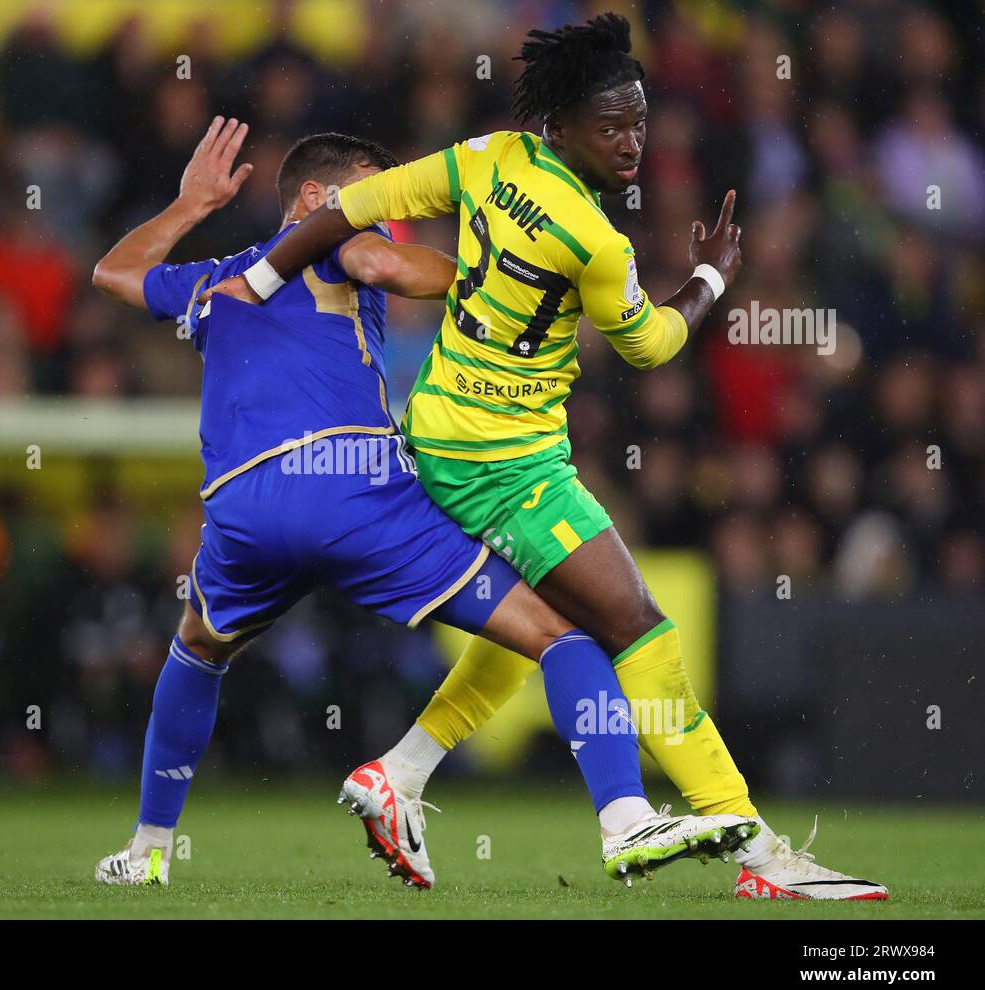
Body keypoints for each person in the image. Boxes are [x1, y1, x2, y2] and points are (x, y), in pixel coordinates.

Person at [200, 15, 887, 901]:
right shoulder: (595, 239)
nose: (632, 142)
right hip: (508, 464)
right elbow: (646, 345)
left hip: (442, 434)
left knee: (531, 630)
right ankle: (743, 841)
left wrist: (258, 280)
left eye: (639, 120)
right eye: (612, 126)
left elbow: (350, 207)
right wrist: (714, 276)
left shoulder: (488, 157)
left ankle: (398, 774)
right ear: (561, 127)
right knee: (637, 625)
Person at [90, 116, 754, 888]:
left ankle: (146, 851)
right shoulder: (334, 238)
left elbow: (111, 272)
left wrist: (188, 206)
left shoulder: (210, 284)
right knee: (561, 629)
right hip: (352, 488)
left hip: (240, 510)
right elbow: (391, 265)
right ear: (313, 197)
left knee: (199, 648)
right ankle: (624, 819)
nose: (377, 214)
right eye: (365, 199)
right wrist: (505, 274)